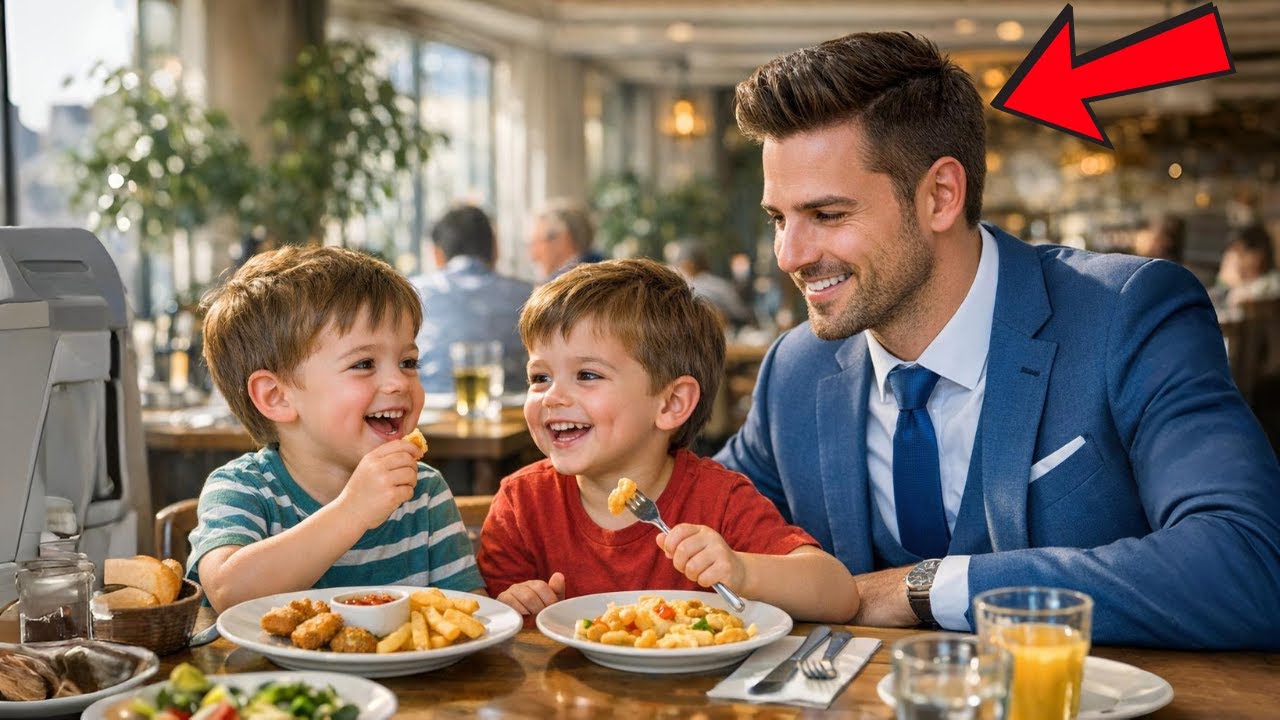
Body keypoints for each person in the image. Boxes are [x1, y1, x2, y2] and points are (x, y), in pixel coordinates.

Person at [715, 31, 1280, 649]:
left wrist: (924, 589)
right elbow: (688, 531)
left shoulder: (1128, 315)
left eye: (827, 215)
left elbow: (1248, 561)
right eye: (779, 218)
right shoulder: (795, 370)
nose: (789, 255)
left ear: (940, 196)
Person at [478, 258, 860, 622]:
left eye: (588, 375)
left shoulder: (718, 500)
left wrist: (742, 570)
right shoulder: (521, 504)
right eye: (539, 378)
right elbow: (493, 626)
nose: (552, 397)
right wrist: (512, 604)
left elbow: (838, 594)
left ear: (672, 403)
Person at [190, 246, 485, 612]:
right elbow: (228, 591)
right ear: (277, 397)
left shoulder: (423, 493)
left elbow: (470, 614)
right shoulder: (243, 490)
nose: (398, 382)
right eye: (364, 363)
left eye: (408, 361)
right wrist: (353, 511)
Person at [412, 205, 533, 394]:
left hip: (427, 414)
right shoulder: (530, 296)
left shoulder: (411, 293)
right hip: (513, 418)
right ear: (496, 248)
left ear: (437, 253)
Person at [670, 239, 756, 329]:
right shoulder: (719, 286)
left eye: (680, 264)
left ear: (689, 264)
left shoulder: (677, 288)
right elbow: (741, 313)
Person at [527, 199, 604, 281]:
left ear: (562, 240)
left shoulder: (583, 284)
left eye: (536, 243)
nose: (533, 256)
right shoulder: (602, 272)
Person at [1218, 223, 1280, 308]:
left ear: (1258, 254)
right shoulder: (1238, 289)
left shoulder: (1271, 284)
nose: (1237, 261)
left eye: (1241, 254)